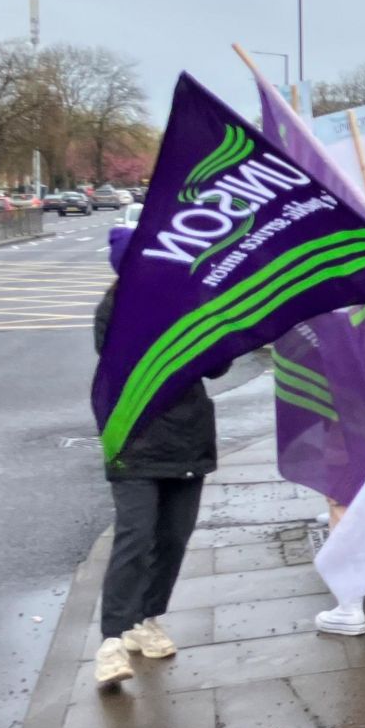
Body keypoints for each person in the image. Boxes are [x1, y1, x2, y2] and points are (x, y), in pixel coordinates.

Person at [91, 225, 222, 687]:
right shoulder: (113, 311)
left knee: (172, 537)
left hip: (187, 437)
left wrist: (215, 319)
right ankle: (111, 640)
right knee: (135, 535)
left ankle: (146, 618)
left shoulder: (186, 304)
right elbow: (126, 368)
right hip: (134, 440)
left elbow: (218, 363)